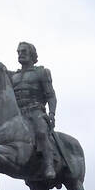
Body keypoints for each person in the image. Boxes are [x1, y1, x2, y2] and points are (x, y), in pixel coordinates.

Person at [11, 41, 57, 179]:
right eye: (18, 52)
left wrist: (52, 113)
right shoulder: (13, 76)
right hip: (18, 115)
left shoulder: (42, 72)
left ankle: (49, 164)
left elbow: (51, 95)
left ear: (32, 54)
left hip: (36, 112)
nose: (20, 55)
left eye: (23, 52)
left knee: (41, 132)